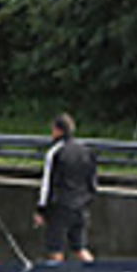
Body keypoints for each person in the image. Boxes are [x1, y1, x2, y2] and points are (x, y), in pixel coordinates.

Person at [33, 113, 98, 263]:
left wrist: (40, 210)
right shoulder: (86, 151)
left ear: (57, 130)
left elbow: (47, 184)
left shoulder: (54, 152)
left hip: (60, 207)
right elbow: (92, 183)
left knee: (55, 248)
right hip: (81, 207)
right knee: (80, 248)